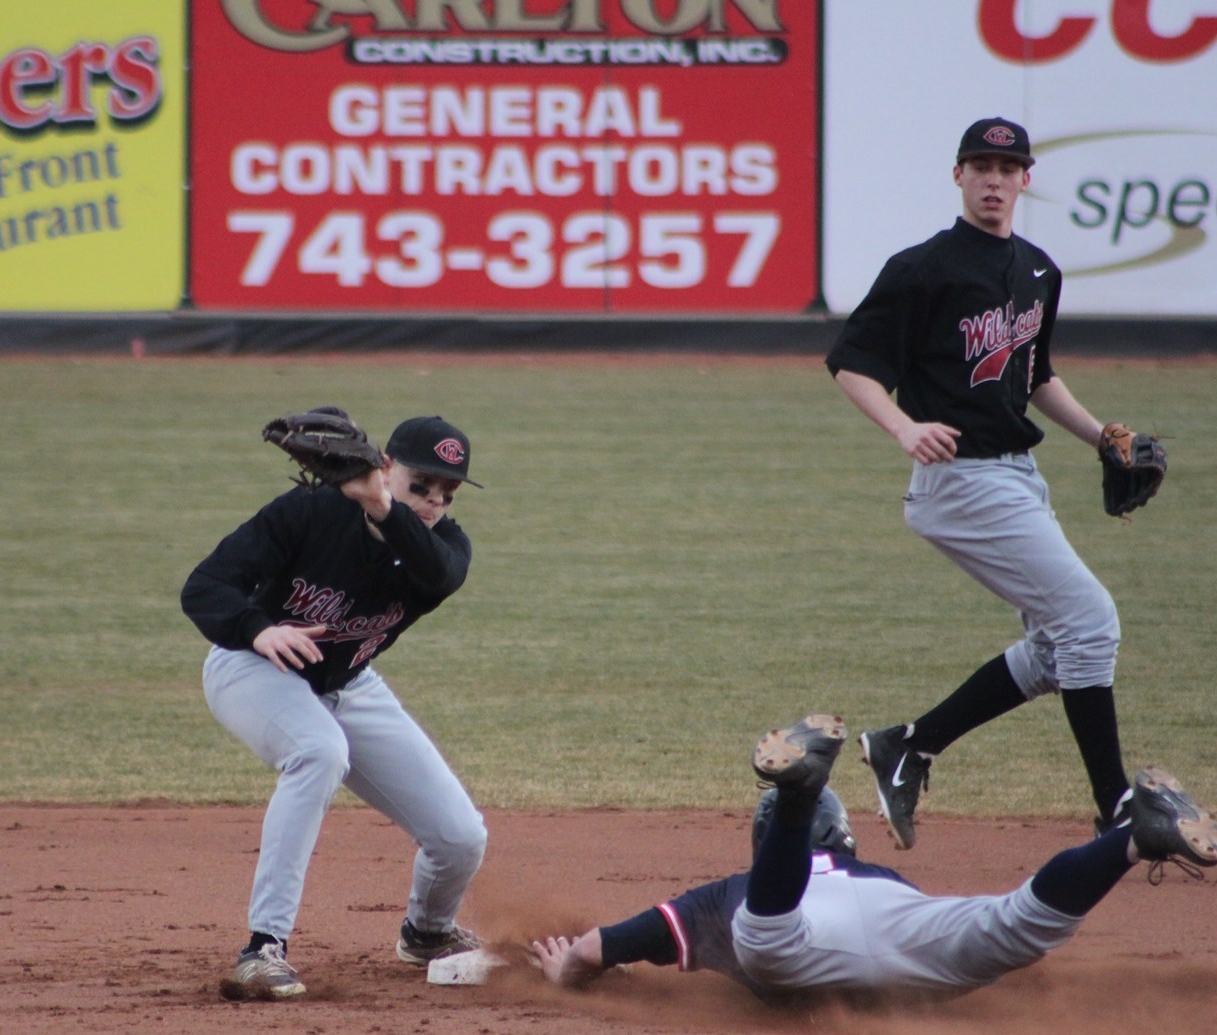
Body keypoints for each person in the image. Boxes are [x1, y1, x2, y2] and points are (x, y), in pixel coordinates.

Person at [824, 116, 1153, 849]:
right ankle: (1116, 804)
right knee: (1091, 621)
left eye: (1007, 169)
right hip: (961, 480)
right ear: (959, 176)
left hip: (1018, 475)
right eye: (981, 166)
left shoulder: (1037, 269)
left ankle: (908, 743)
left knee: (1060, 644)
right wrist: (905, 427)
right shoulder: (922, 268)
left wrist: (1102, 436)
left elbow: (1034, 375)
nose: (995, 180)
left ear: (1025, 179)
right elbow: (852, 362)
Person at [531, 714, 1217, 1004]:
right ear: (847, 843)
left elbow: (598, 949)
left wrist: (567, 966)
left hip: (801, 937)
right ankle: (1133, 839)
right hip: (904, 925)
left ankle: (794, 795)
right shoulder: (879, 873)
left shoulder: (728, 890)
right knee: (1014, 922)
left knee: (765, 933)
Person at [181, 413, 489, 1001]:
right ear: (386, 468)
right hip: (250, 666)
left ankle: (426, 933)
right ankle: (262, 949)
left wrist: (383, 505)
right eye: (420, 484)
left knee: (459, 838)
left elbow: (429, 570)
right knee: (319, 752)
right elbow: (204, 587)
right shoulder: (309, 513)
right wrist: (257, 629)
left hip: (349, 684)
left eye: (446, 492)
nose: (433, 501)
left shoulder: (447, 548)